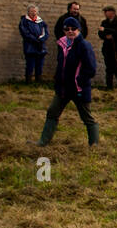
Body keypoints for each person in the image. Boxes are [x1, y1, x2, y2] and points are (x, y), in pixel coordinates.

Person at [36, 17, 98, 146]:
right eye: (67, 29)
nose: (70, 31)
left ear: (79, 30)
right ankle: (43, 142)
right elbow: (61, 65)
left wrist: (79, 81)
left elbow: (91, 69)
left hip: (78, 89)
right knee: (52, 112)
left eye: (73, 29)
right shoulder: (62, 44)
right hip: (63, 88)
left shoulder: (84, 46)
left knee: (87, 117)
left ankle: (94, 145)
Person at [95, 6, 117, 90]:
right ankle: (109, 86)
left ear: (112, 12)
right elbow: (100, 33)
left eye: (106, 12)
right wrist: (106, 36)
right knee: (109, 68)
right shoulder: (104, 22)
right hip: (107, 49)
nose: (105, 14)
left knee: (114, 67)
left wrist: (106, 30)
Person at [19, 4, 49, 83]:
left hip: (41, 46)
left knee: (40, 65)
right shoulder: (24, 21)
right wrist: (35, 40)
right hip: (30, 46)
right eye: (31, 11)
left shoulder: (41, 22)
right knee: (30, 65)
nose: (33, 13)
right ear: (28, 12)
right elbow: (25, 33)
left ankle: (38, 81)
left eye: (35, 11)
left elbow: (45, 33)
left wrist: (41, 40)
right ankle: (28, 81)